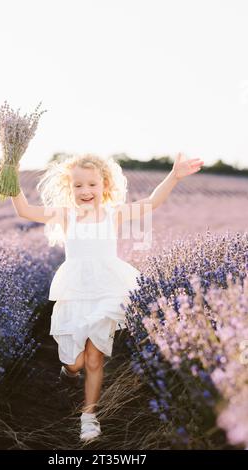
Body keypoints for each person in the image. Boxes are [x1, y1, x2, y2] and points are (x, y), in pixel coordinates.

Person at [11, 152, 204, 442]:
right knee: (75, 362)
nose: (85, 191)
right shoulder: (66, 215)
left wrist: (174, 176)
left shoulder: (113, 213)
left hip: (108, 288)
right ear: (69, 187)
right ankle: (69, 371)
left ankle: (89, 417)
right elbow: (24, 210)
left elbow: (150, 203)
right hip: (75, 289)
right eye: (78, 186)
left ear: (104, 185)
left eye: (92, 184)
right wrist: (10, 170)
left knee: (93, 358)